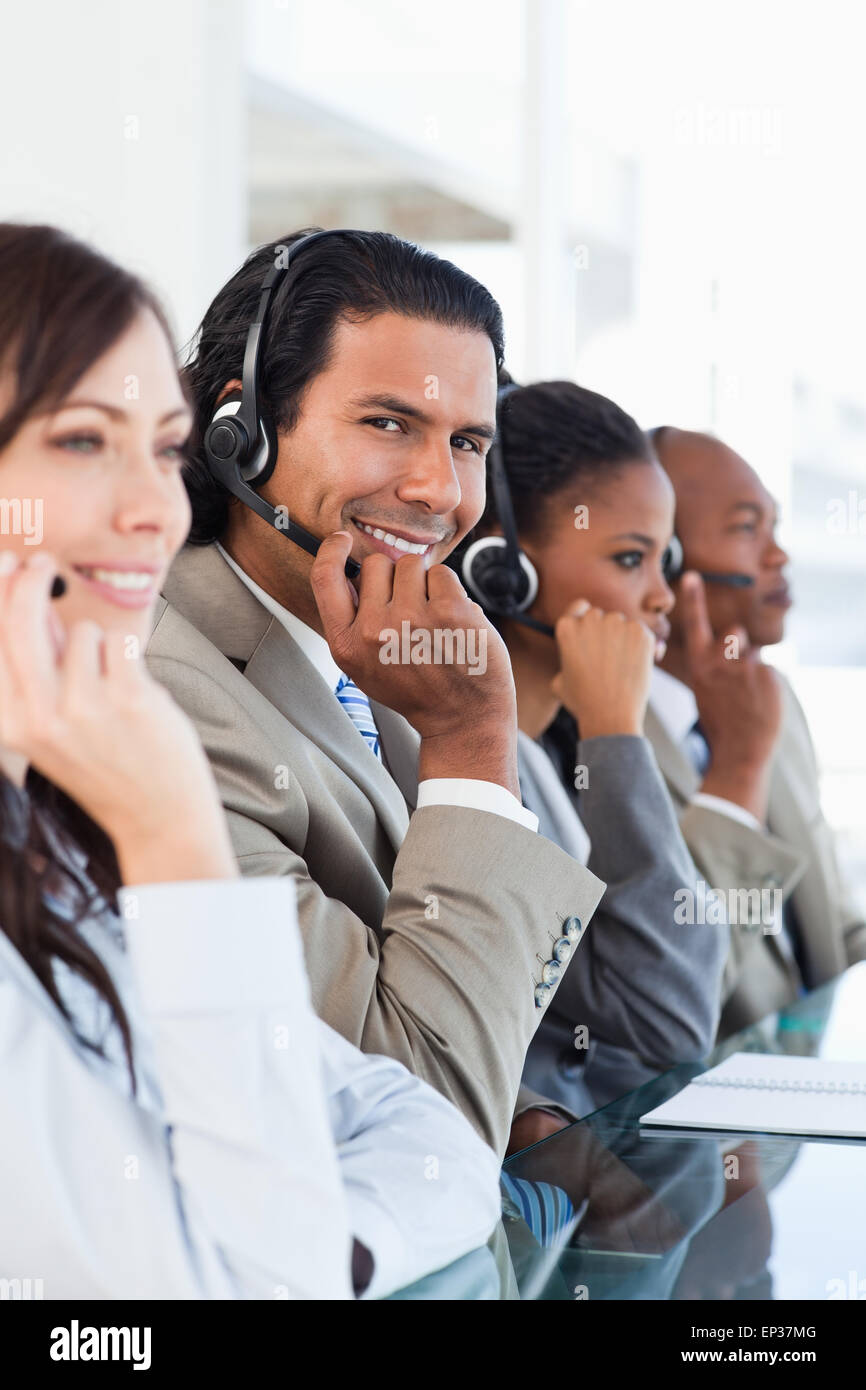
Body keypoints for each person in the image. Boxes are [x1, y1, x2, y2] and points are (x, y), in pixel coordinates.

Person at [0, 224, 501, 1300]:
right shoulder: (151, 736)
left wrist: (321, 1249)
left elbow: (432, 1138)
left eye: (160, 448)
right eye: (84, 441)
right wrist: (178, 845)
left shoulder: (44, 837)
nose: (154, 507)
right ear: (245, 434)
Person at [146, 227, 605, 1159]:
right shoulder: (163, 697)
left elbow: (457, 1012)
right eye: (389, 424)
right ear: (242, 428)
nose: (439, 490)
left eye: (466, 442)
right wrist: (473, 743)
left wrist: (526, 1111)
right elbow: (424, 1118)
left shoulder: (387, 652)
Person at [452, 379, 726, 1110]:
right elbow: (670, 1016)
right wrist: (616, 734)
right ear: (502, 570)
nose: (663, 596)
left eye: (664, 560)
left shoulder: (549, 751)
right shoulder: (465, 766)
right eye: (631, 559)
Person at [647, 426, 866, 1035]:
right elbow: (673, 983)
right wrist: (739, 766)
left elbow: (832, 925)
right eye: (747, 529)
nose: (779, 557)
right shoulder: (602, 742)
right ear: (662, 556)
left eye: (775, 526)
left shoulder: (774, 697)